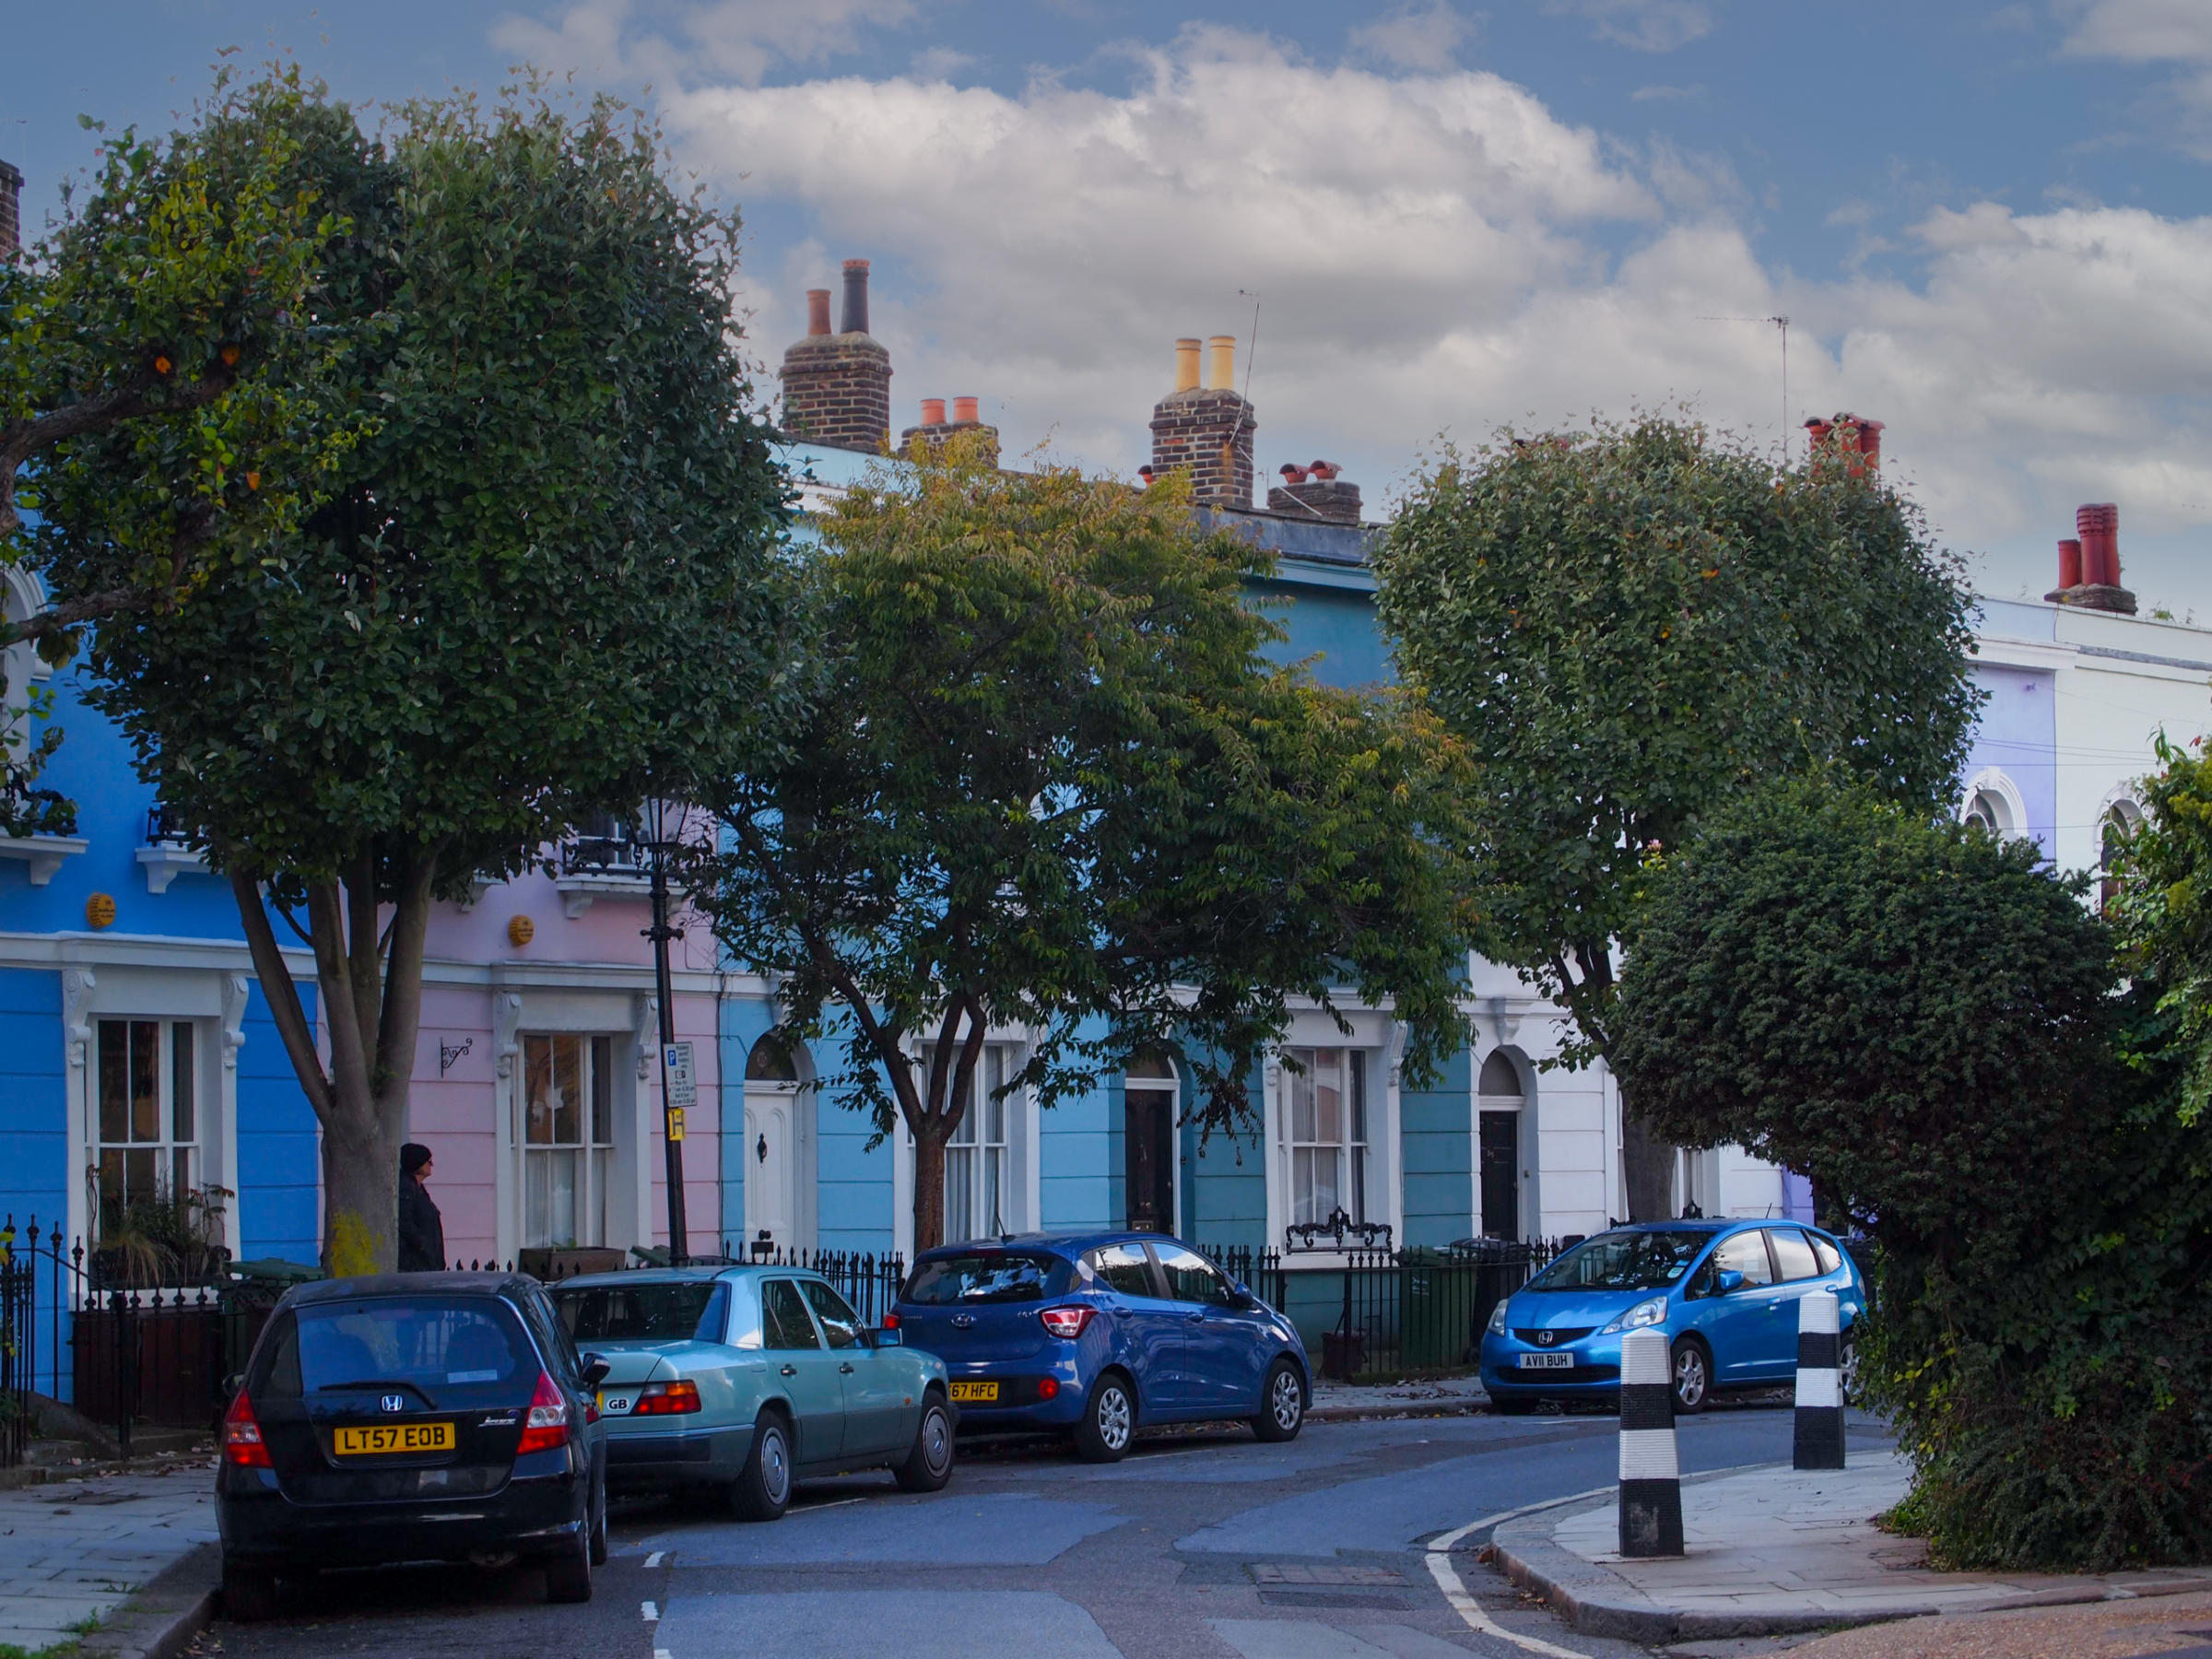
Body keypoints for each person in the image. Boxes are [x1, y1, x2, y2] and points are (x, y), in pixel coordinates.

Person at [397, 1143, 445, 1272]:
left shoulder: (419, 1190)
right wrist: (423, 1246)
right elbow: (405, 1223)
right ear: (417, 1163)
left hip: (425, 1263)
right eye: (428, 1161)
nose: (431, 1165)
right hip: (415, 1265)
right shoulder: (406, 1188)